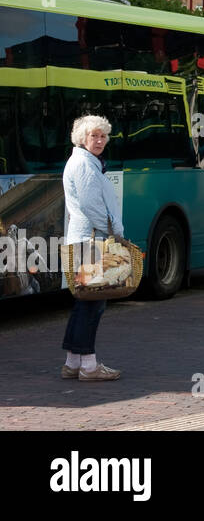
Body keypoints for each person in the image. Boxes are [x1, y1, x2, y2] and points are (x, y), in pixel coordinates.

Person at [60, 115, 123, 381]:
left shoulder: (84, 162)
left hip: (86, 239)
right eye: (94, 136)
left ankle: (72, 363)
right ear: (82, 138)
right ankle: (88, 366)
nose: (99, 141)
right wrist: (114, 234)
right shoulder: (85, 165)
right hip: (93, 242)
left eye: (103, 136)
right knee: (94, 303)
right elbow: (91, 205)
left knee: (85, 302)